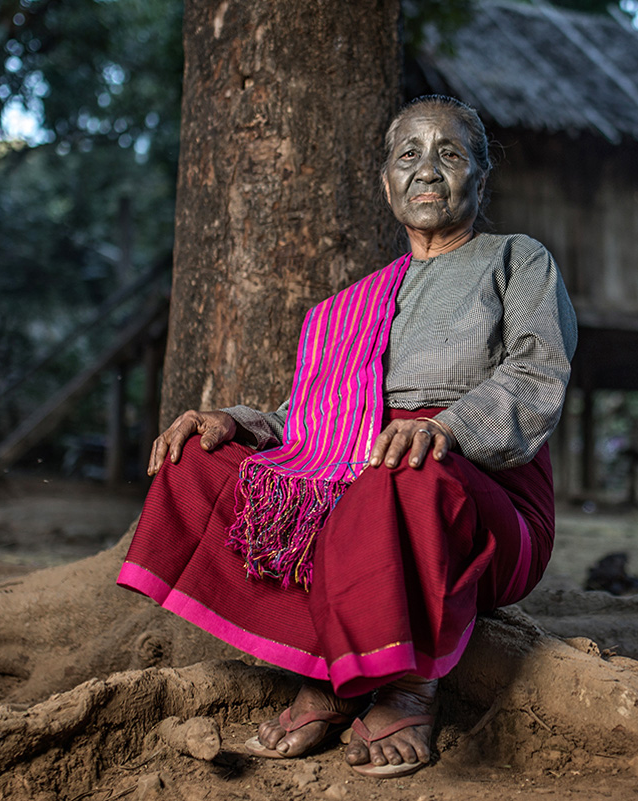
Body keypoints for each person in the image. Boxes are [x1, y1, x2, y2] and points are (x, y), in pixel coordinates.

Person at [117, 94, 578, 779]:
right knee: (202, 460)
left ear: (482, 176)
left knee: (396, 477)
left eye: (450, 153)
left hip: (478, 497)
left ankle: (404, 682)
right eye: (408, 155)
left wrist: (442, 430)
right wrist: (234, 422)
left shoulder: (517, 260)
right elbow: (308, 421)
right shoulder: (348, 306)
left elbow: (537, 373)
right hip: (357, 477)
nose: (427, 170)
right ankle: (333, 666)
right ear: (386, 181)